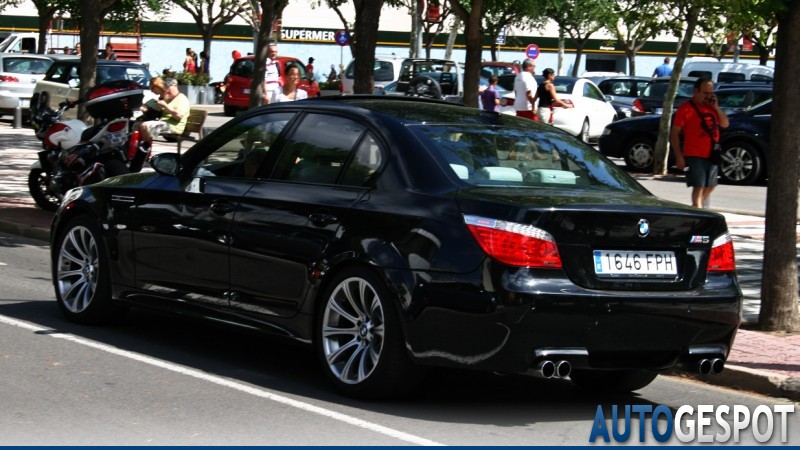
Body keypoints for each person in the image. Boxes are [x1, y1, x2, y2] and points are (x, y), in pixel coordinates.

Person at [670, 77, 730, 209]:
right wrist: (679, 156)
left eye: (711, 93)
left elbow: (725, 124)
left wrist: (716, 107)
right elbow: (674, 133)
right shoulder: (686, 108)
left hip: (712, 152)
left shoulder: (711, 107)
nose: (708, 97)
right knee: (699, 185)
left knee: (711, 185)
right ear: (696, 91)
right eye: (705, 93)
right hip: (694, 153)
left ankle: (696, 208)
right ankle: (698, 210)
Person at [138, 77, 191, 149]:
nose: (167, 91)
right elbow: (153, 103)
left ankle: (145, 150)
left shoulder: (182, 99)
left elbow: (179, 116)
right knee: (135, 125)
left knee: (145, 126)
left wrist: (166, 106)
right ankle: (135, 149)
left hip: (174, 127)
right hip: (164, 123)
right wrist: (146, 106)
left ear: (175, 86)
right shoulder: (168, 98)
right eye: (166, 88)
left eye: (169, 88)